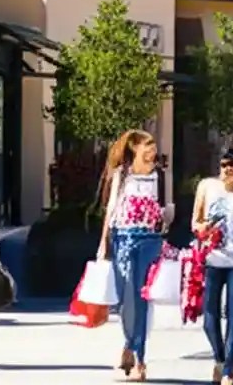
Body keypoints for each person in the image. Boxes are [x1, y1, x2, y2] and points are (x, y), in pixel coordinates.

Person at [96, 130, 169, 382]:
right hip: (123, 238)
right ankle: (129, 342)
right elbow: (111, 208)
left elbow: (164, 208)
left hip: (150, 240)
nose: (152, 151)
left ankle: (139, 357)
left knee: (142, 297)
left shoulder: (159, 175)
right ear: (135, 148)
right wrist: (103, 242)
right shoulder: (122, 175)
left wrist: (165, 219)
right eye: (147, 146)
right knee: (125, 297)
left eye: (153, 146)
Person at [192, 147, 233, 385]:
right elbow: (195, 222)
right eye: (224, 164)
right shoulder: (207, 186)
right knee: (210, 317)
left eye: (232, 165)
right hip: (212, 259)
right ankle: (219, 358)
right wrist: (203, 228)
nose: (227, 169)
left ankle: (229, 370)